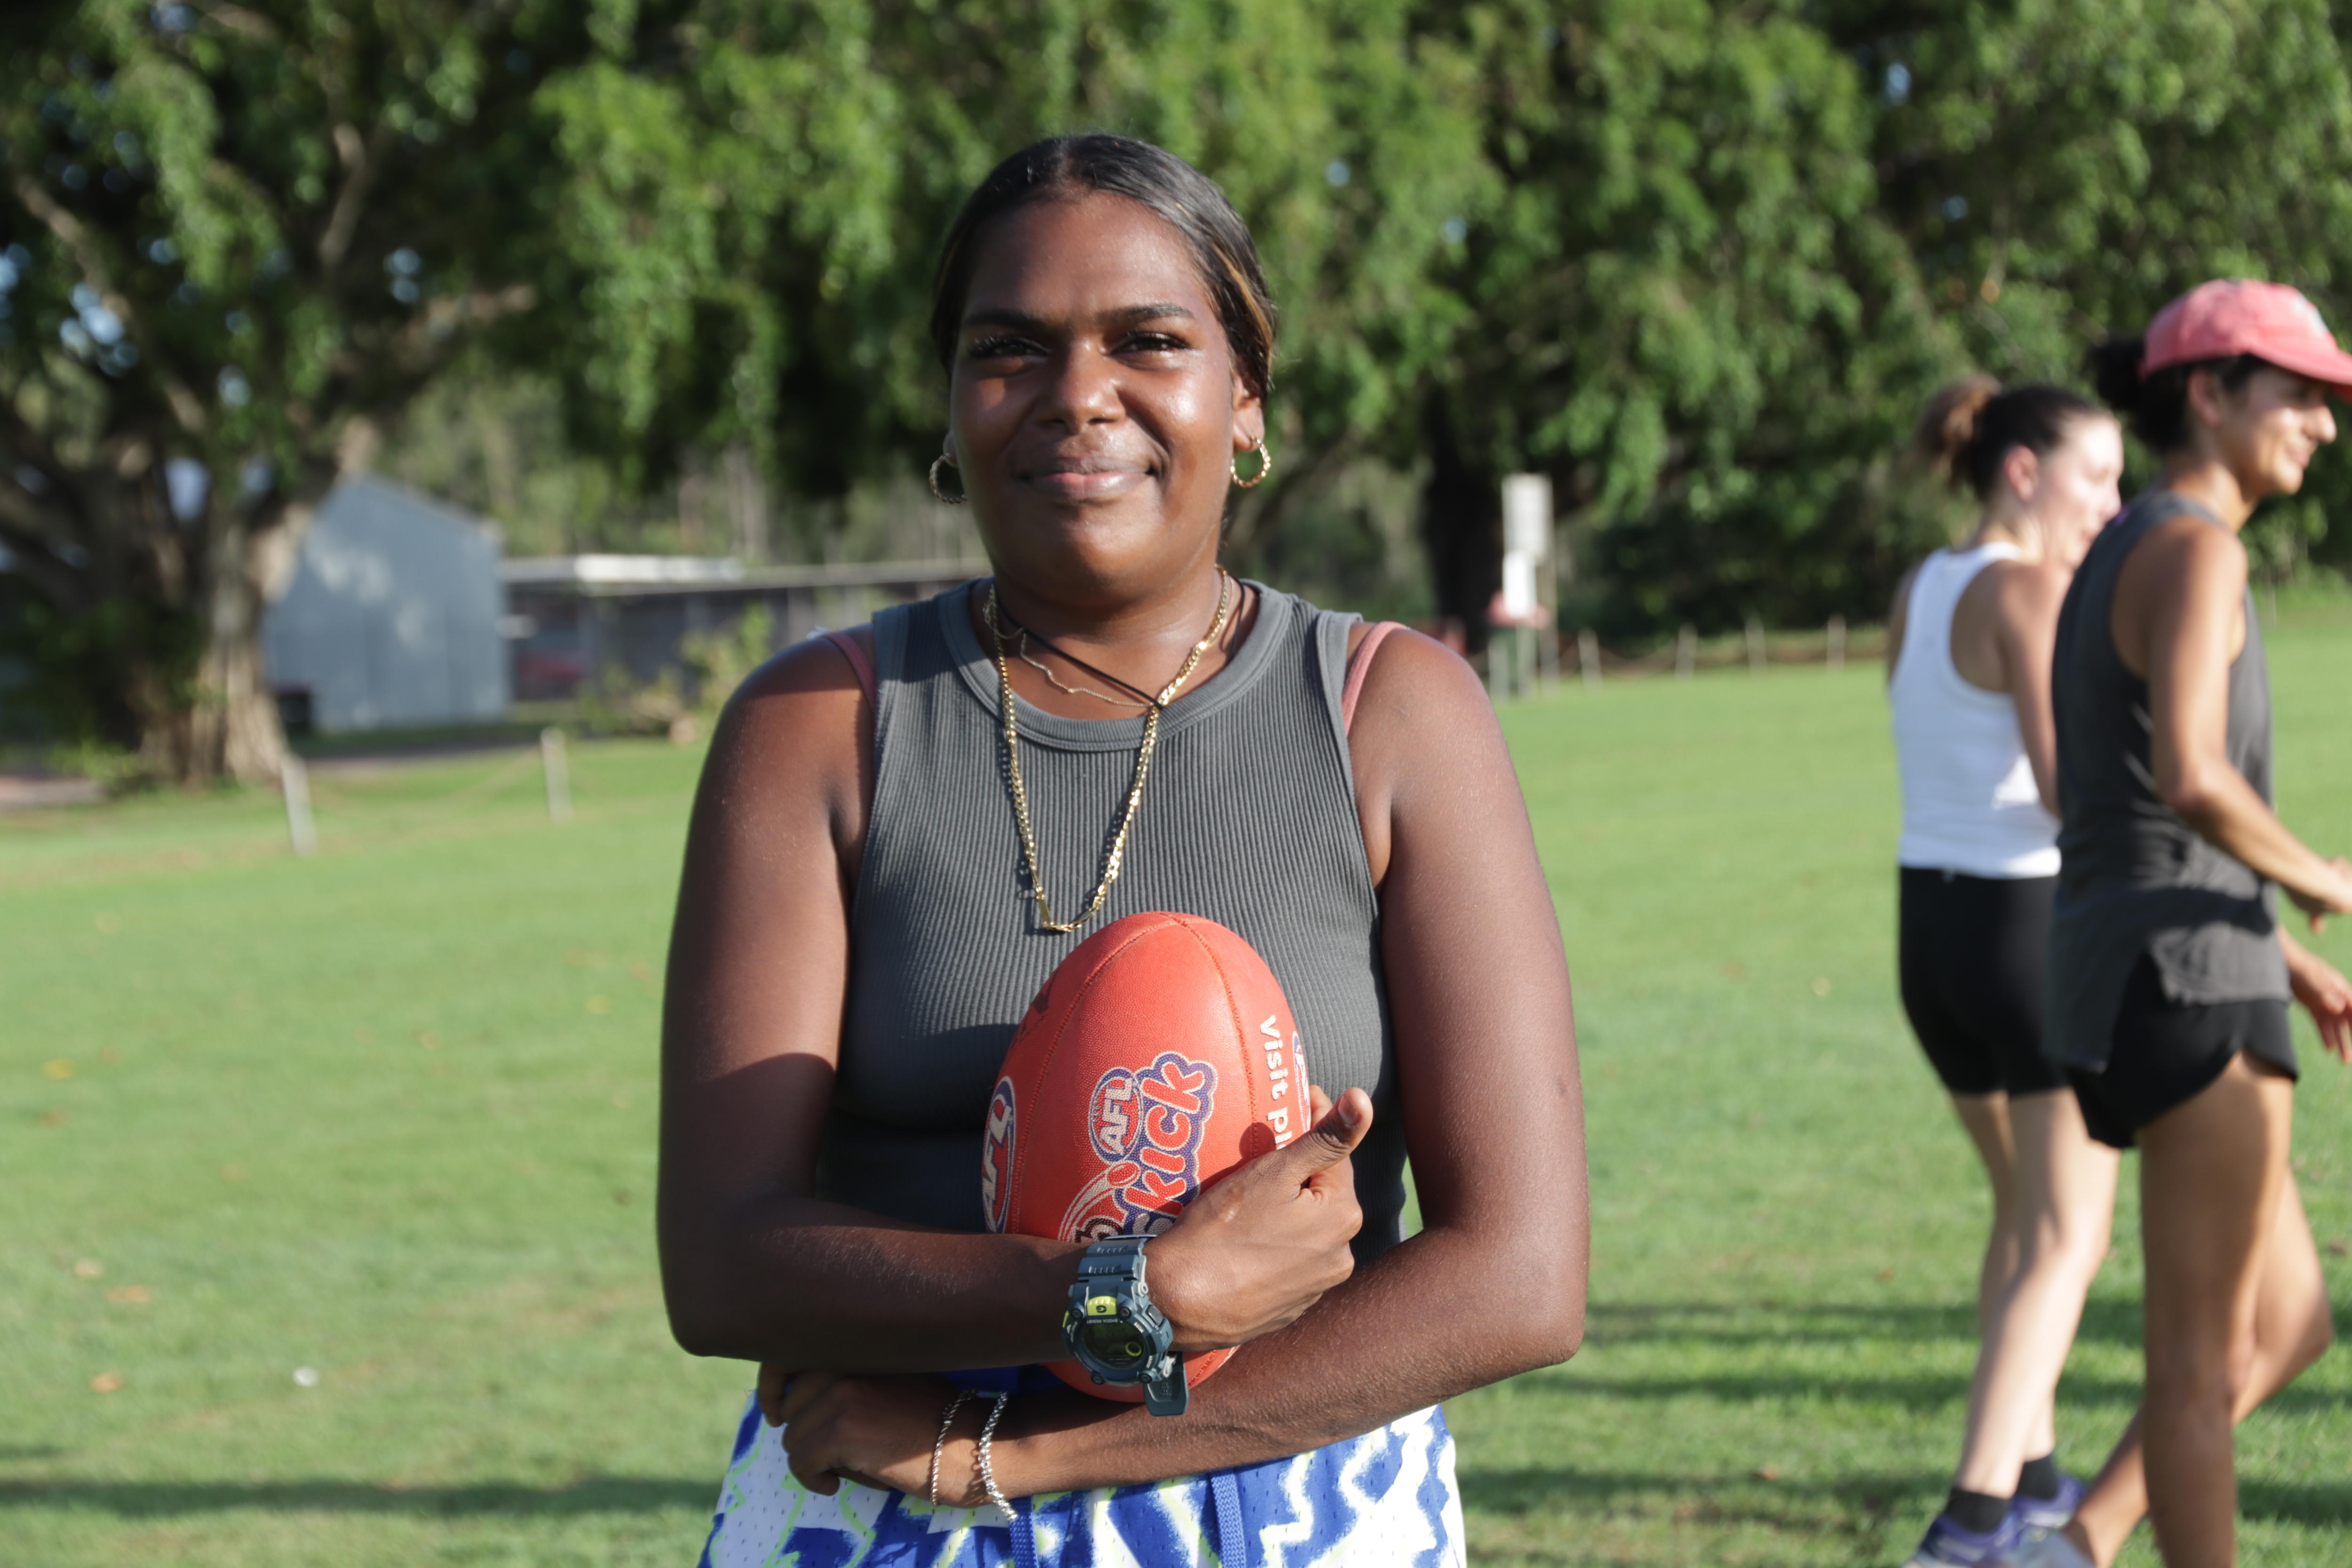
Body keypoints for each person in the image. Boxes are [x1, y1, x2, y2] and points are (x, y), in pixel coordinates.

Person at [659, 134, 1588, 1568]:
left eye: (1149, 340)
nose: (1077, 395)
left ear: (1246, 397)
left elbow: (1522, 1275)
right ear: (952, 406)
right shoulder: (818, 724)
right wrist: (1124, 1285)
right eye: (1008, 348)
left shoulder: (1396, 712)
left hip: (1284, 1506)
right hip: (876, 1514)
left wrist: (1032, 1448)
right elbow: (721, 1260)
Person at [2010, 280, 2352, 1568]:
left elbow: (2127, 797)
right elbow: (2194, 777)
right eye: (2299, 392)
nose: (2322, 422)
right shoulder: (2199, 546)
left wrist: (2289, 950)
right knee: (2202, 1370)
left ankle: (2076, 1540)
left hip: (2156, 965)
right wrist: (2326, 882)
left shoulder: (2125, 543)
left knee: (2292, 1322)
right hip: (2185, 978)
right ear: (2208, 395)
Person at [1883, 378, 2126, 1567]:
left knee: (2025, 1219)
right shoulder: (2029, 590)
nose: (2112, 505)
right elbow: (2064, 788)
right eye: (2096, 480)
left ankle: (2027, 1466)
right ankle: (1972, 1520)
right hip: (2030, 937)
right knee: (2070, 1236)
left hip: (1932, 939)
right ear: (2022, 473)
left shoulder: (1921, 584)